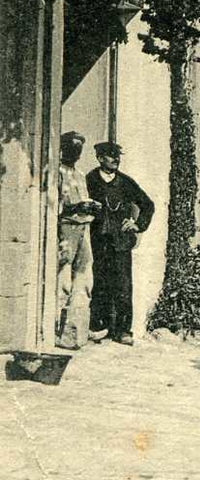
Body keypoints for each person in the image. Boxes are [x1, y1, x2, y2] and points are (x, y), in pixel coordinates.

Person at [86, 140, 155, 346]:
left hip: (120, 242)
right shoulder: (89, 179)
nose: (115, 159)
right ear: (100, 158)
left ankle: (123, 330)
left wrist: (136, 224)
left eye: (117, 155)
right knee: (99, 283)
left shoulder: (125, 182)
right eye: (110, 155)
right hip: (97, 240)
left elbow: (148, 205)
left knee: (123, 285)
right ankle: (99, 327)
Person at [55, 132, 96, 350]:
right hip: (67, 227)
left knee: (84, 279)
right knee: (63, 279)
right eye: (72, 147)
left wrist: (89, 206)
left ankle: (75, 332)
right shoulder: (57, 172)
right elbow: (56, 206)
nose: (76, 152)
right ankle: (56, 330)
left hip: (83, 227)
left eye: (79, 148)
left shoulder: (80, 174)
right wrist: (75, 207)